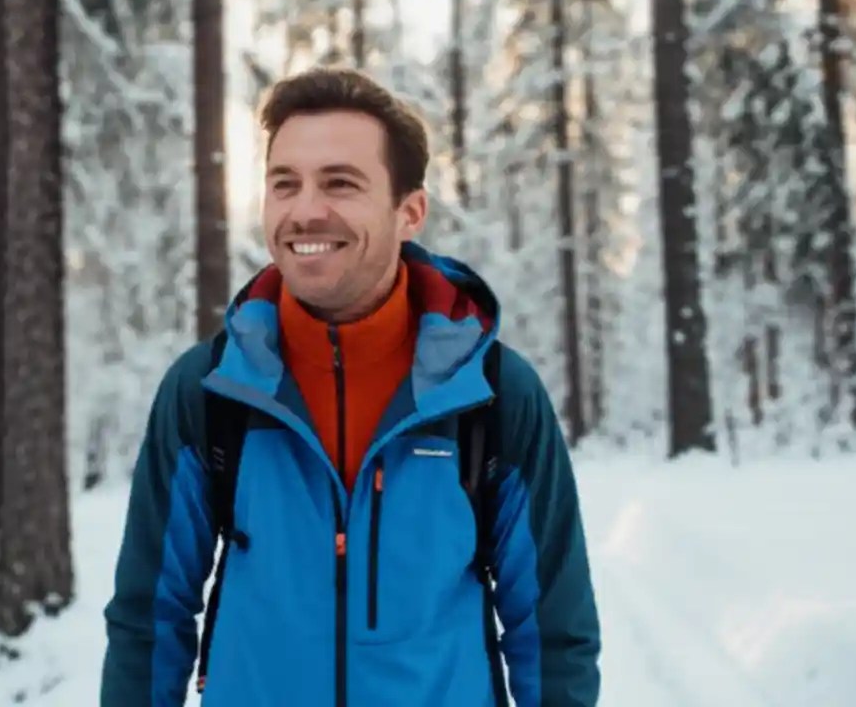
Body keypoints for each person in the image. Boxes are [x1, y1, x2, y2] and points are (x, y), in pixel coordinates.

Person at [99, 66, 600, 707]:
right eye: (285, 184)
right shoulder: (209, 390)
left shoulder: (492, 394)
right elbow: (148, 618)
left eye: (340, 183)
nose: (306, 210)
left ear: (409, 211)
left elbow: (554, 630)